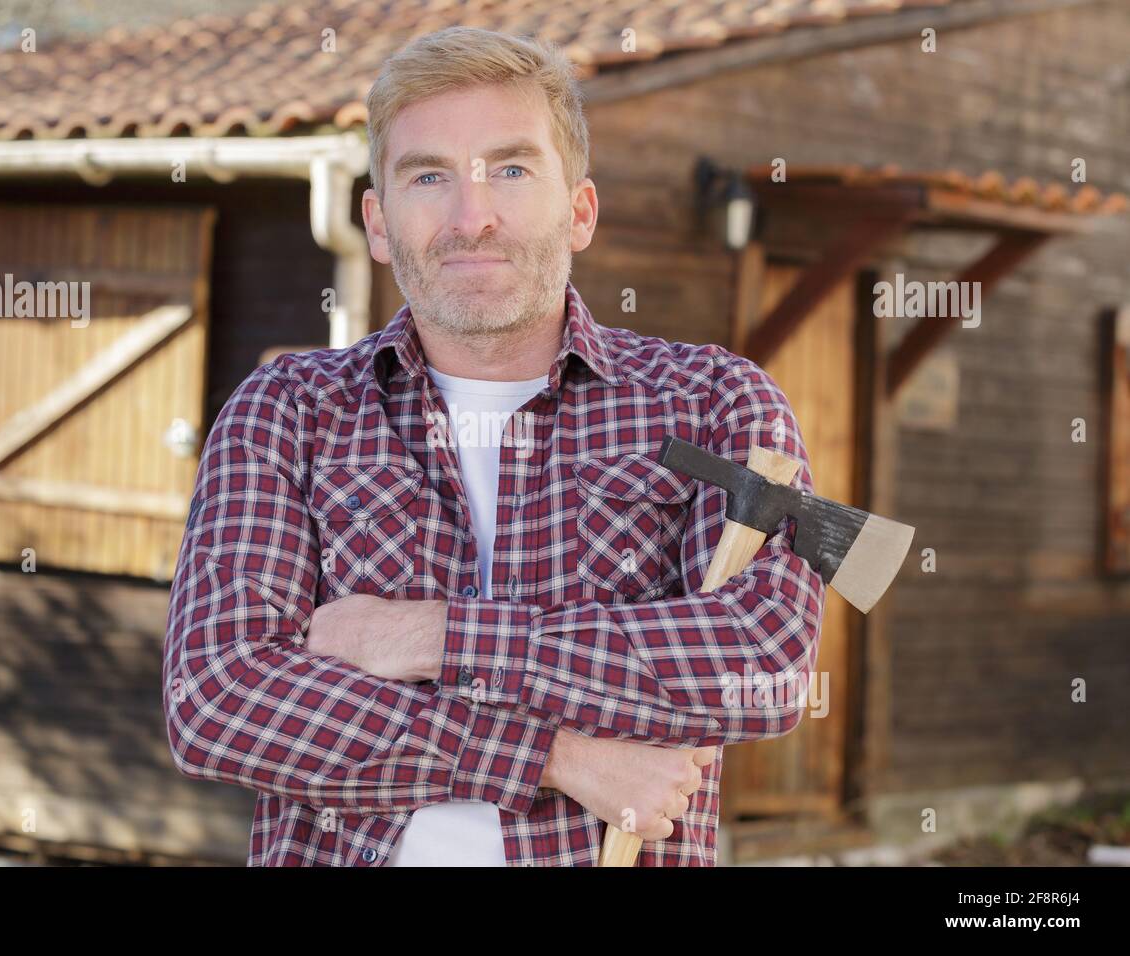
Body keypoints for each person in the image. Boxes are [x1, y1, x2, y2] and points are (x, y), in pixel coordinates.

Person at [162, 25, 825, 867]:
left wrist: (434, 635)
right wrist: (558, 758)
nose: (472, 218)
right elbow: (218, 702)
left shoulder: (715, 404)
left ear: (579, 210)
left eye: (511, 169)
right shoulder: (289, 413)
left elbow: (761, 670)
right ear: (376, 219)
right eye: (429, 176)